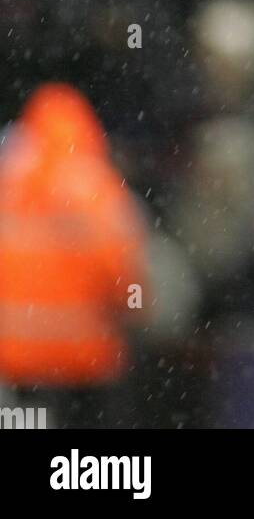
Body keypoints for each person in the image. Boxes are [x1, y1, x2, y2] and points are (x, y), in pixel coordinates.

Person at [0, 84, 150, 429]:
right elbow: (122, 269)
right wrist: (136, 311)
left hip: (18, 358)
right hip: (85, 358)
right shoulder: (95, 185)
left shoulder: (8, 184)